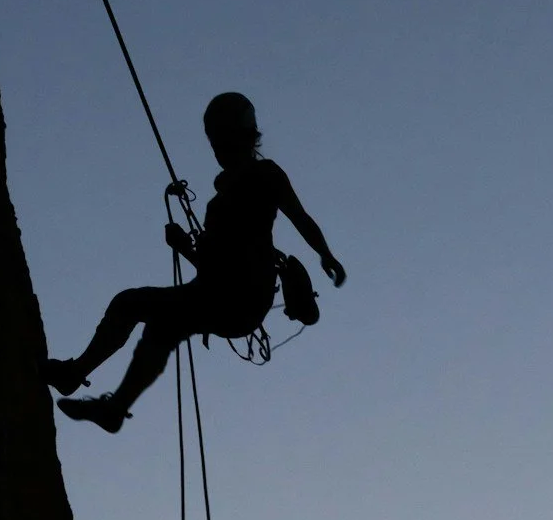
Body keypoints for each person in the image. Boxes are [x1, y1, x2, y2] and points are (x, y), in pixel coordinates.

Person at [47, 92, 345, 430]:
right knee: (142, 312)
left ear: (239, 137)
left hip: (238, 299)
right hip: (224, 296)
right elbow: (215, 267)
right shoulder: (224, 194)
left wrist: (325, 254)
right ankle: (95, 391)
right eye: (215, 142)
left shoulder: (266, 176)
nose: (216, 150)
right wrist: (184, 247)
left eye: (221, 140)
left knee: (146, 313)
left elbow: (299, 217)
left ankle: (93, 389)